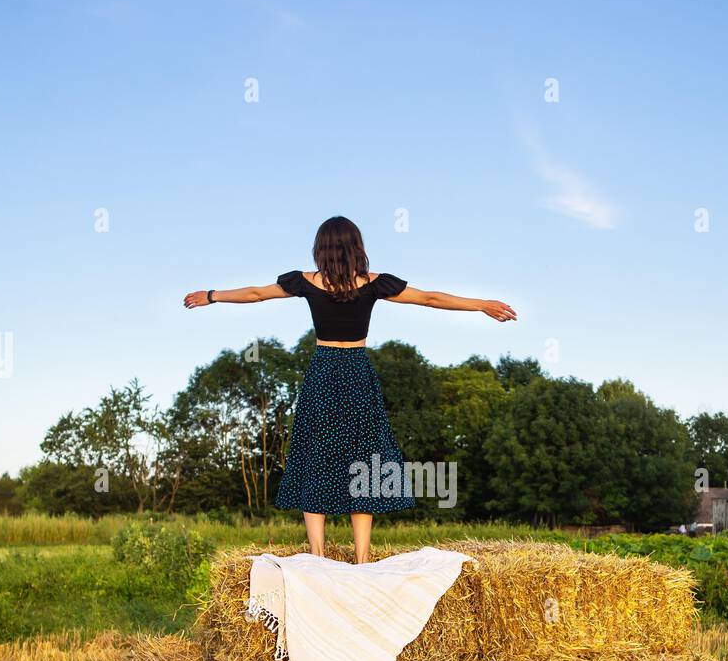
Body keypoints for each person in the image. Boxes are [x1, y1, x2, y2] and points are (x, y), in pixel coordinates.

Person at [184, 216, 516, 562]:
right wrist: (481, 304)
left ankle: (316, 554)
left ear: (321, 248)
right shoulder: (374, 284)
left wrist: (212, 296)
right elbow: (430, 299)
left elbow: (256, 294)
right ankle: (362, 558)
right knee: (365, 458)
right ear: (357, 247)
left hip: (323, 370)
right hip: (357, 369)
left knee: (316, 453)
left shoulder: (304, 282)